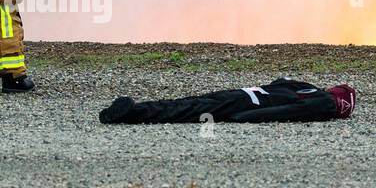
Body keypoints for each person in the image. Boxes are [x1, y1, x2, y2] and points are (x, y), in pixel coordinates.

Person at [100, 78, 357, 124]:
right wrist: (245, 118)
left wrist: (246, 116)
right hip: (245, 104)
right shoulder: (320, 101)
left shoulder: (316, 94)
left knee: (190, 104)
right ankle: (131, 113)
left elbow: (281, 92)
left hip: (245, 96)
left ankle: (133, 112)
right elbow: (285, 110)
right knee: (189, 110)